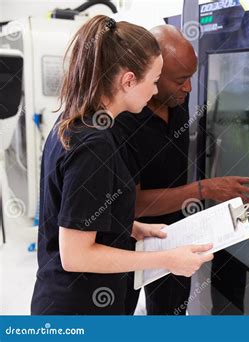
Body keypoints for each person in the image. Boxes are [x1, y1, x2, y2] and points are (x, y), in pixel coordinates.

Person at [30, 16, 213, 315]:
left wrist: (130, 227)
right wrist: (167, 259)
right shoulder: (94, 145)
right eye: (153, 82)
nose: (155, 92)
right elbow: (75, 256)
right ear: (128, 80)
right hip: (79, 308)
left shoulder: (78, 123)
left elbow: (77, 216)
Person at [113, 25, 249, 315]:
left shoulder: (178, 105)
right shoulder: (124, 121)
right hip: (128, 240)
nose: (189, 88)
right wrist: (205, 189)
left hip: (177, 234)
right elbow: (133, 204)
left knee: (171, 313)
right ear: (153, 75)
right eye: (180, 80)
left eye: (191, 78)